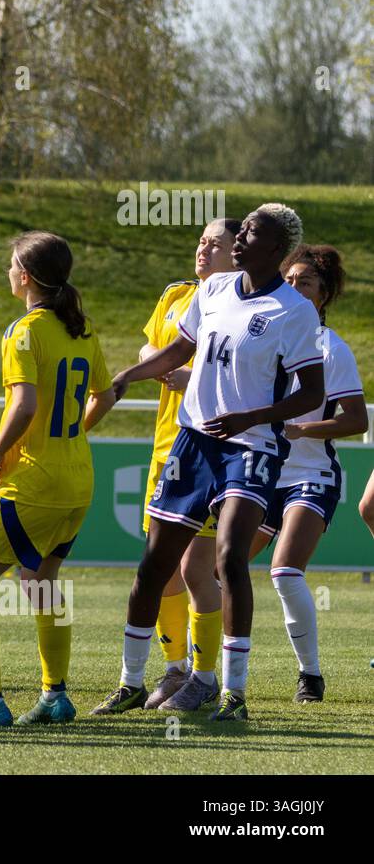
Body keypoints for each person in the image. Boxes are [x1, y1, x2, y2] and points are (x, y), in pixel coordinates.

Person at [93, 204, 325, 722]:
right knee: (155, 564)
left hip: (251, 447)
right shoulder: (214, 291)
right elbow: (180, 348)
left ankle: (233, 695)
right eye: (240, 230)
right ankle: (131, 682)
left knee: (229, 560)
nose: (239, 238)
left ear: (275, 248)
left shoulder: (294, 310)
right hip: (193, 444)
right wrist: (128, 375)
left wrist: (252, 417)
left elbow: (312, 391)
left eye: (252, 233)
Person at [0, 232, 116, 728]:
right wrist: (70, 434)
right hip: (77, 480)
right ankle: (55, 695)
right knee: (41, 583)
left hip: (32, 483)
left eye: (12, 265)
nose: (8, 272)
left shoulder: (25, 331)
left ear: (27, 277)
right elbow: (105, 394)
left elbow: (25, 403)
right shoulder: (80, 330)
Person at [247, 244, 366, 702]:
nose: (294, 287)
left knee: (284, 572)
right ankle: (206, 674)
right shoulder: (265, 337)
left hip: (310, 476)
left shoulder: (328, 348)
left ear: (324, 295)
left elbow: (357, 420)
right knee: (219, 571)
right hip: (260, 474)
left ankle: (310, 677)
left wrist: (298, 429)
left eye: (306, 282)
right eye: (290, 279)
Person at [134, 219, 240, 711]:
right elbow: (147, 347)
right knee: (161, 566)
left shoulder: (240, 302)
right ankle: (174, 669)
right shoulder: (176, 294)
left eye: (214, 244)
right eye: (201, 241)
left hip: (208, 451)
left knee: (198, 567)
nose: (203, 249)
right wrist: (165, 365)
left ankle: (205, 675)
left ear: (236, 254)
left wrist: (187, 374)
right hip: (164, 450)